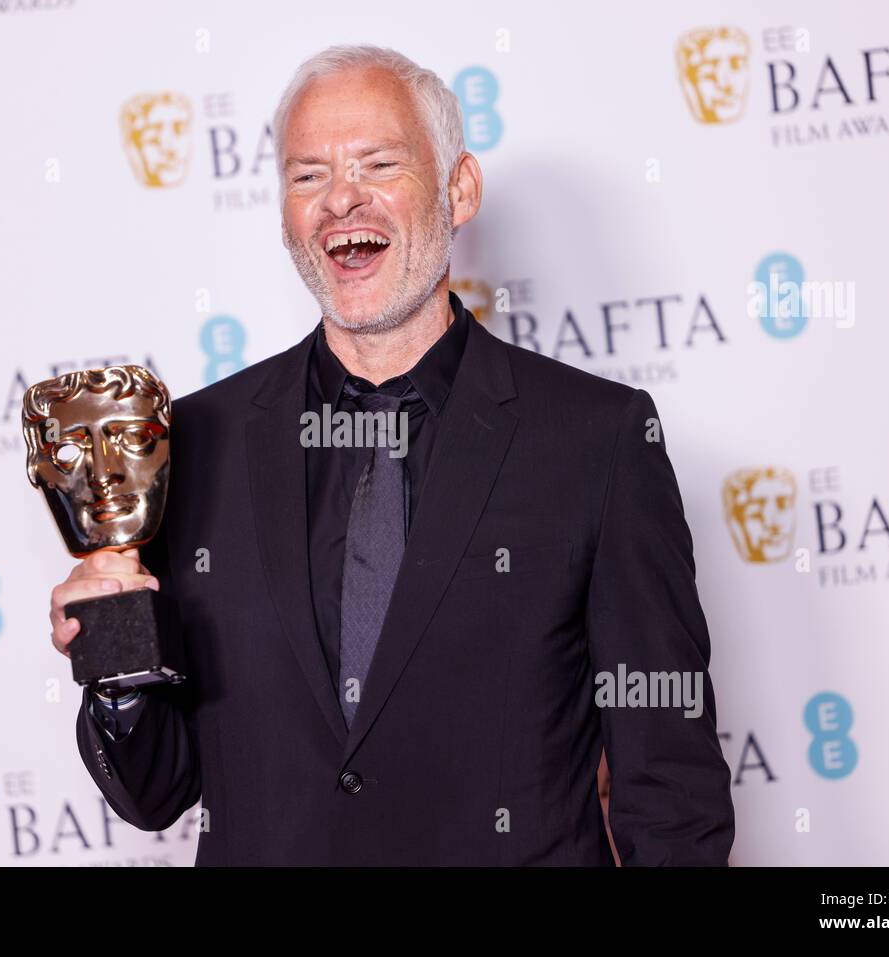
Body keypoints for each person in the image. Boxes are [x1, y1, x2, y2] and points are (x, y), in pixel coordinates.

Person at [49, 44, 734, 865]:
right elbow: (158, 792)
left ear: (459, 189)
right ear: (282, 214)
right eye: (307, 176)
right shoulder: (192, 447)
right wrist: (118, 656)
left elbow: (673, 790)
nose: (341, 197)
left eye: (379, 163)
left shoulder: (599, 439)